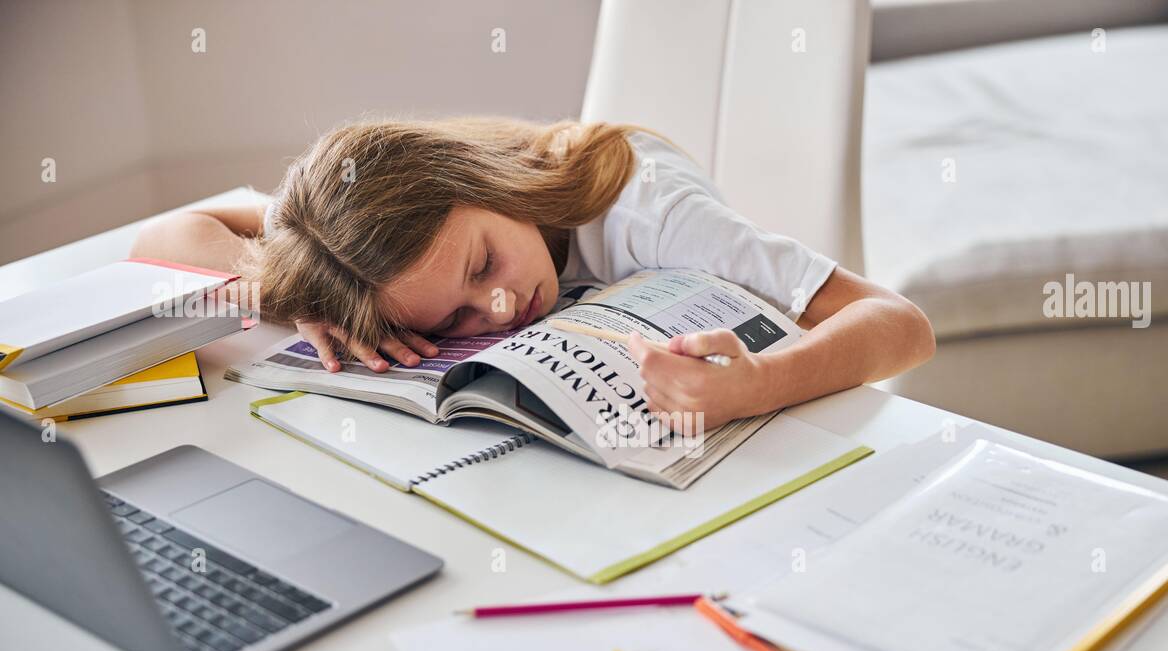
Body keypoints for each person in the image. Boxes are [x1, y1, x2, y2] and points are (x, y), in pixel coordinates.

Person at [130, 117, 934, 428]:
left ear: (481, 182)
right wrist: (313, 300)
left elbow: (901, 326)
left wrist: (757, 384)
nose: (504, 302)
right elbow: (161, 241)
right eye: (453, 320)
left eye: (483, 264)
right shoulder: (356, 239)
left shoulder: (655, 217)